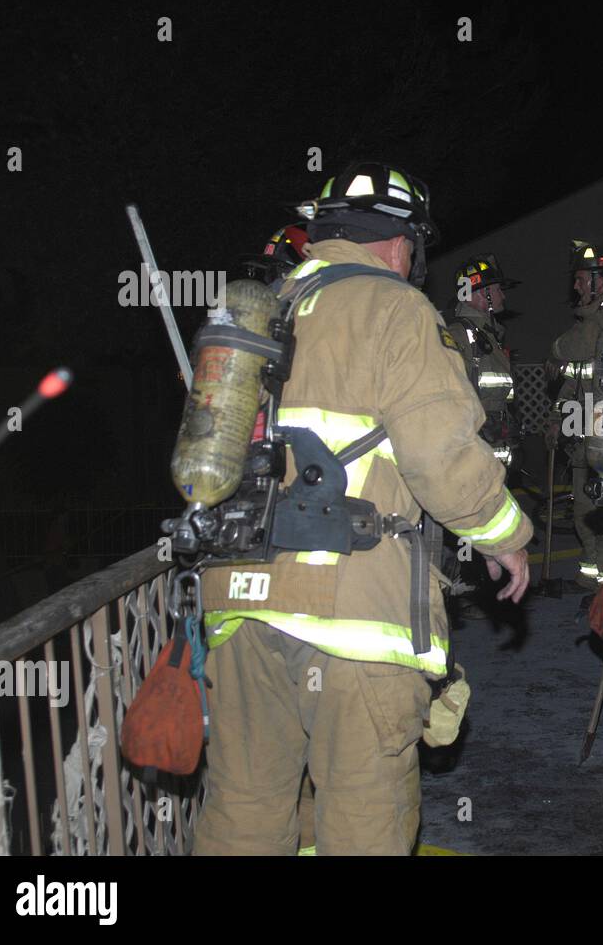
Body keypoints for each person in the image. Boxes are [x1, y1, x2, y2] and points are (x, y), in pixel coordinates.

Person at [193, 161, 532, 856]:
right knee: (363, 818)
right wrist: (506, 535)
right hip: (349, 613)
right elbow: (440, 454)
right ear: (402, 241)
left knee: (246, 809)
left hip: (237, 601)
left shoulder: (263, 308)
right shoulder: (396, 308)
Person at [548, 240, 603, 592]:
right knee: (586, 513)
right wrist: (557, 417)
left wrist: (554, 350)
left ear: (600, 280)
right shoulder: (593, 321)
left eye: (582, 279)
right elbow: (574, 378)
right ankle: (595, 582)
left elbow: (574, 346)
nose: (576, 287)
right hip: (586, 436)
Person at [443, 254, 521, 469]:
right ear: (479, 293)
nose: (502, 296)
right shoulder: (459, 335)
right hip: (476, 445)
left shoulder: (489, 335)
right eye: (497, 289)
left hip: (496, 441)